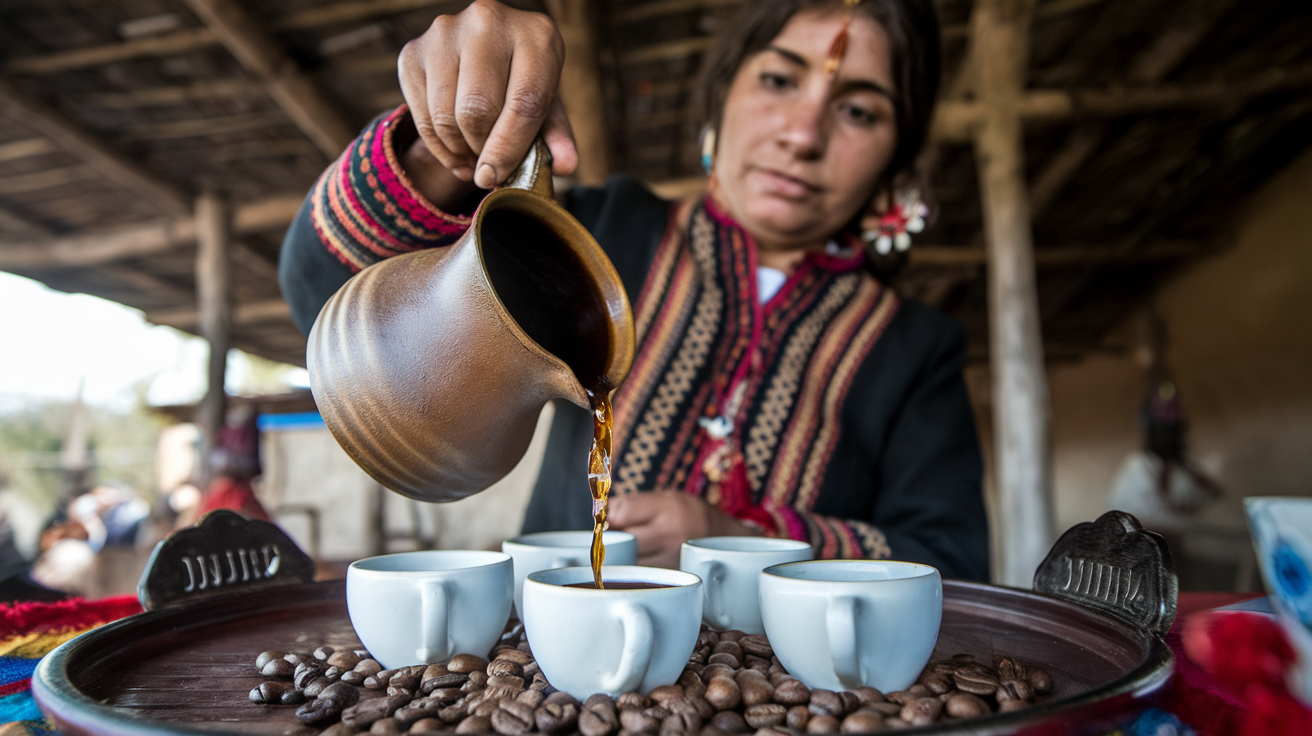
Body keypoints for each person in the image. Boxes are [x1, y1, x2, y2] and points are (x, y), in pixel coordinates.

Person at [280, 0, 989, 580]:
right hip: (545, 685)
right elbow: (321, 282)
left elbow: (954, 564)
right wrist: (445, 147)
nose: (803, 133)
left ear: (897, 158)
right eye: (779, 80)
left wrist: (744, 538)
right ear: (725, 93)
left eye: (859, 111)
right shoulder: (598, 232)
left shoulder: (913, 347)